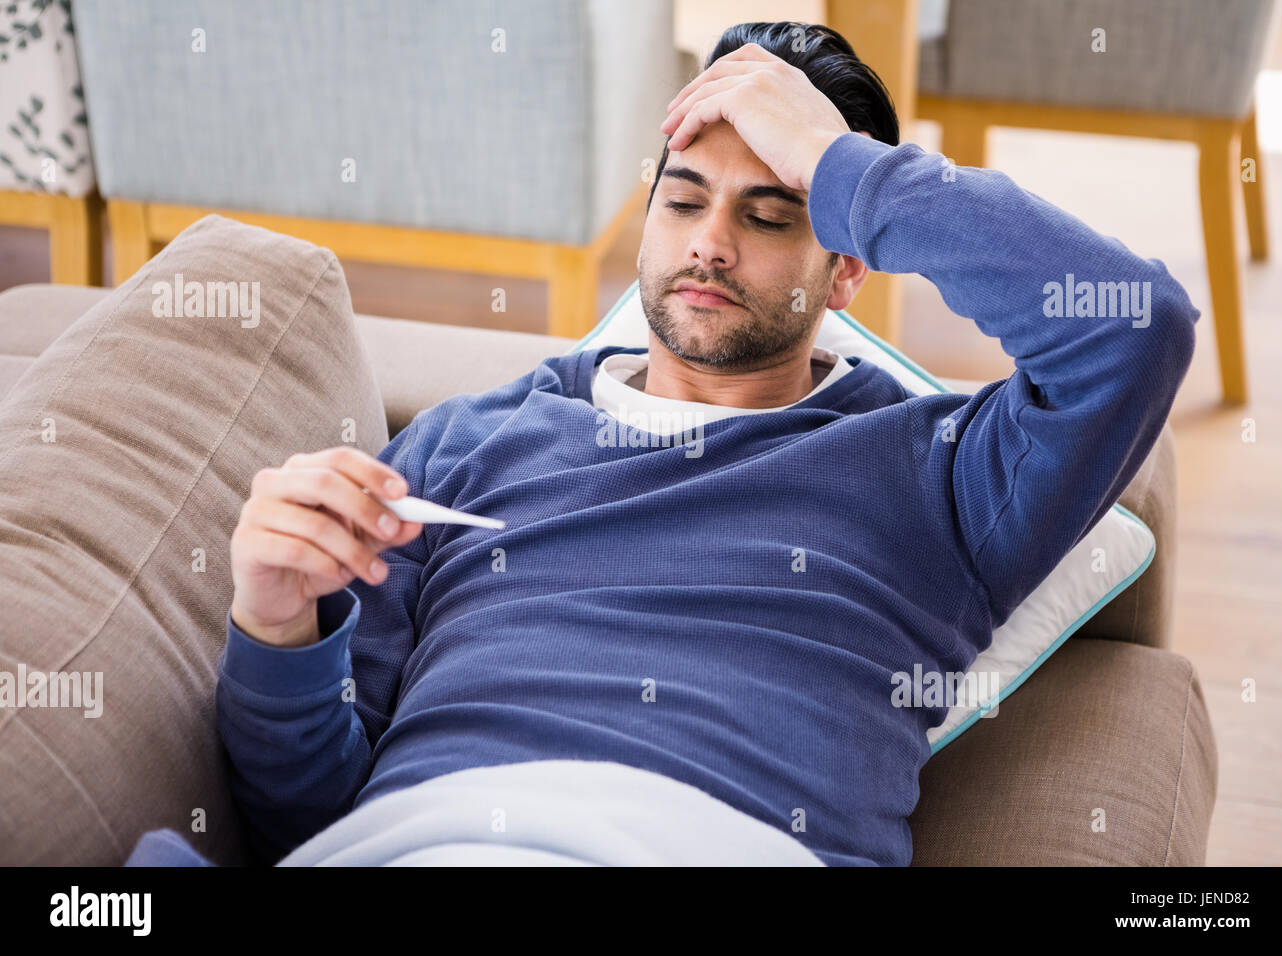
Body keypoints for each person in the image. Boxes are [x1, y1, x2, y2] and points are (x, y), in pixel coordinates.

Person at [125, 21, 1197, 867]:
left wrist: (839, 165)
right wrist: (274, 623)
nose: (709, 243)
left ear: (848, 266)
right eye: (681, 199)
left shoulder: (942, 473)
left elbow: (1132, 328)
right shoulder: (463, 444)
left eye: (774, 214)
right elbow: (303, 811)